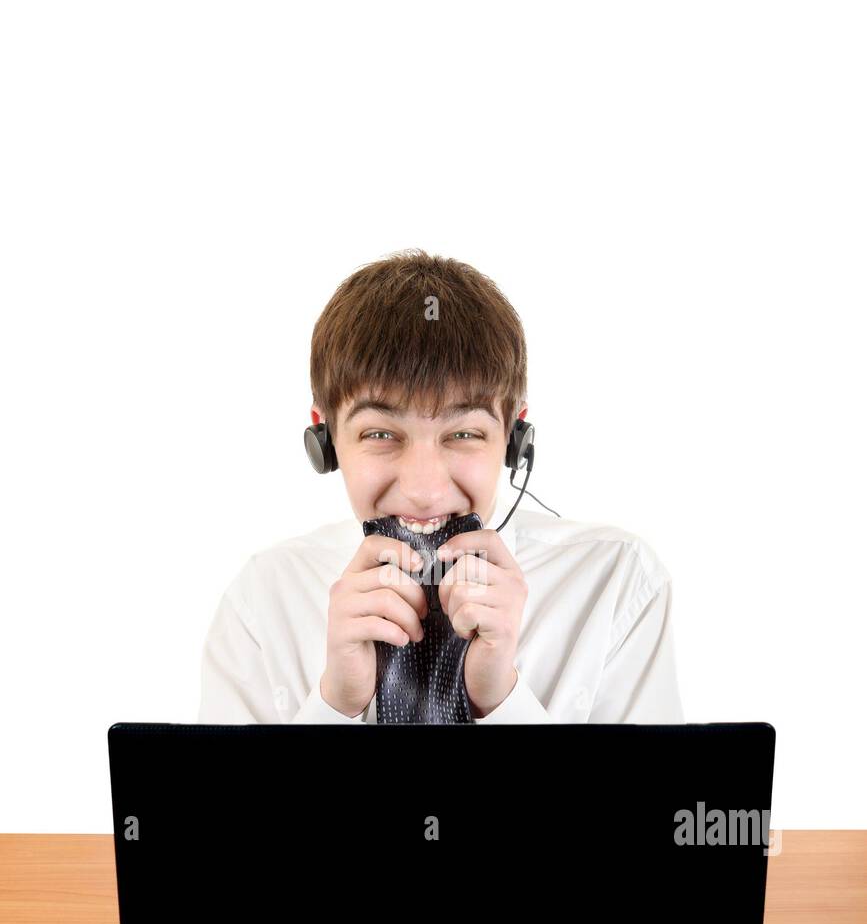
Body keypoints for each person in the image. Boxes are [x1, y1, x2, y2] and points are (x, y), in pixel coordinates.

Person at [197, 249, 685, 726]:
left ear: (514, 440)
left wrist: (503, 702)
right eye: (381, 434)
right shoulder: (261, 601)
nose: (425, 489)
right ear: (325, 441)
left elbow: (649, 809)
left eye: (463, 434)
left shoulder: (618, 585)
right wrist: (334, 707)